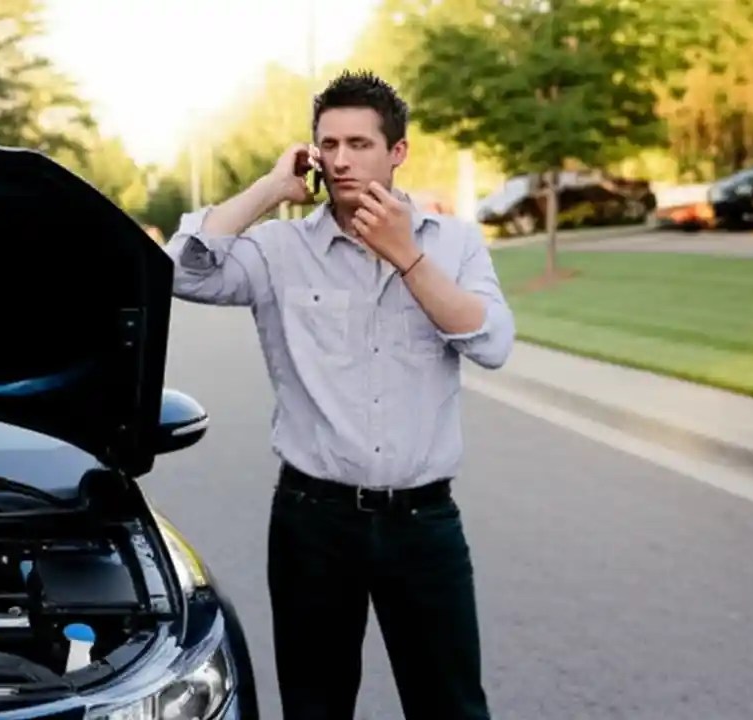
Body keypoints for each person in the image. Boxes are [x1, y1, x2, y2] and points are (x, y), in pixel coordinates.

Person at [163, 69, 514, 720]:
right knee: (314, 706)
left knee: (453, 707)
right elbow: (182, 270)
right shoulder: (279, 250)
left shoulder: (454, 244)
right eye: (329, 144)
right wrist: (271, 189)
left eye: (359, 143)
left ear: (397, 152)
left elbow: (490, 343)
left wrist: (407, 257)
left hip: (424, 526)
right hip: (313, 524)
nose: (343, 159)